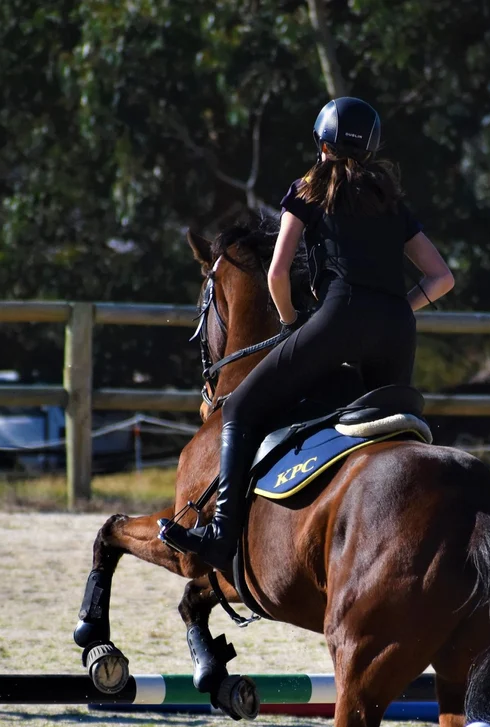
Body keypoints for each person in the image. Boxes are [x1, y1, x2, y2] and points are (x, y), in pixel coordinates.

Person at [159, 96, 455, 573]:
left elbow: (277, 274)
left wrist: (293, 320)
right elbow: (442, 278)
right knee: (398, 431)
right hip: (399, 331)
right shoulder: (390, 201)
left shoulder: (308, 190)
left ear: (321, 143)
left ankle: (219, 534)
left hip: (338, 320)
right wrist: (401, 306)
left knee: (238, 409)